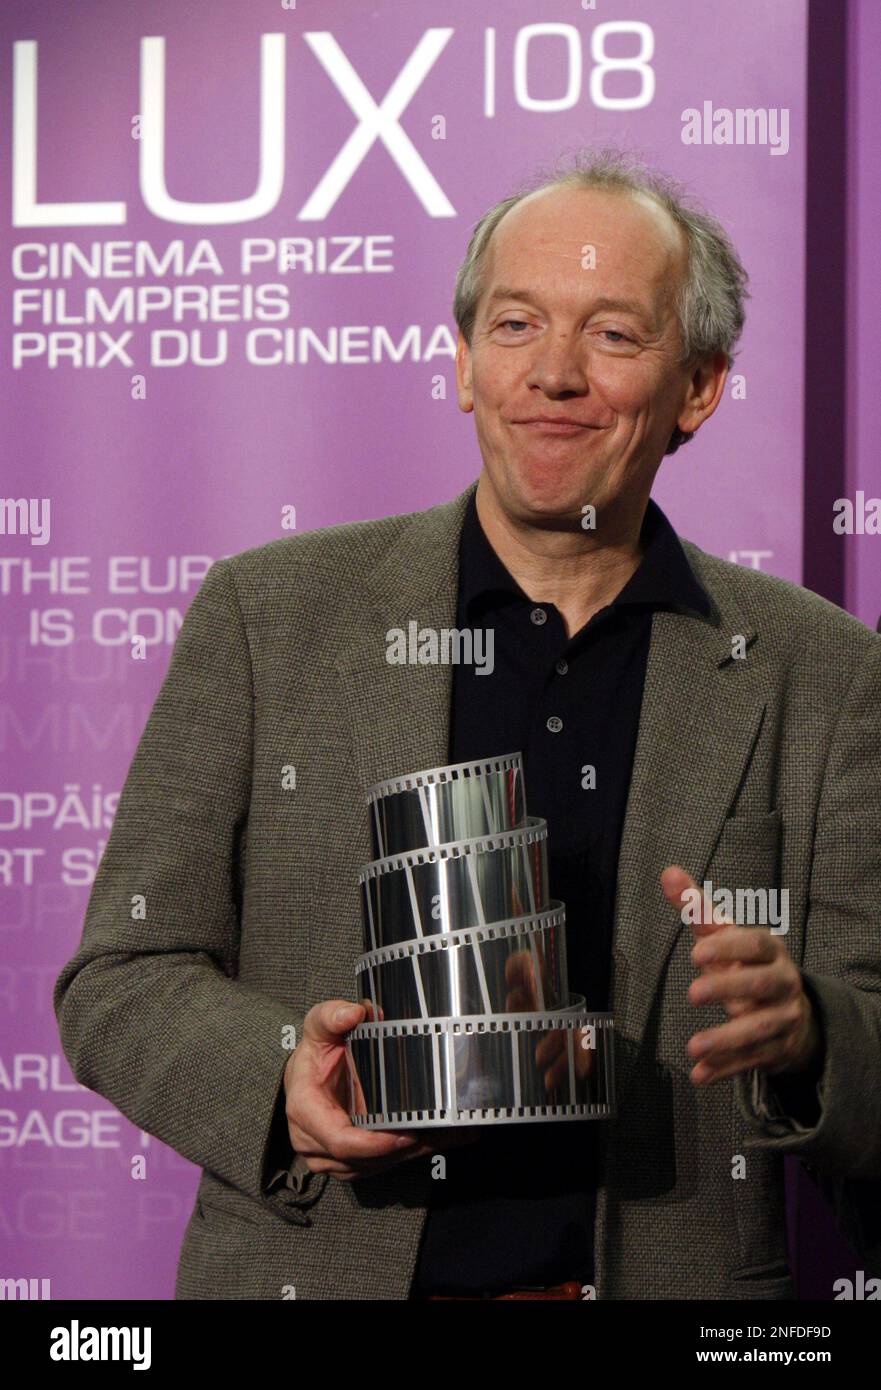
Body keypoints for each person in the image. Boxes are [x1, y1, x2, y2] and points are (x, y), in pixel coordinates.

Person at [55, 149, 881, 1300]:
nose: (552, 374)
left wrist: (808, 1034)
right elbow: (122, 975)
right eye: (513, 325)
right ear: (458, 363)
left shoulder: (825, 674)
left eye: (611, 334)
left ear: (694, 388)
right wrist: (278, 1075)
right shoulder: (269, 615)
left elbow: (871, 1036)